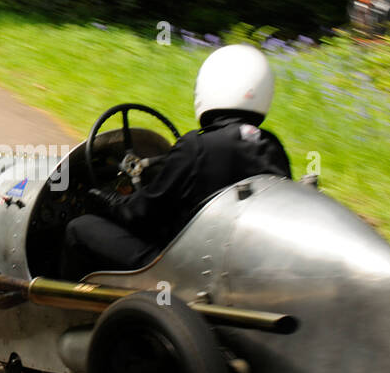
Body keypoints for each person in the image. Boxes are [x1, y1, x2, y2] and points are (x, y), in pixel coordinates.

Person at [61, 44, 291, 278]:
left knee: (79, 228)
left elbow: (143, 214)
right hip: (240, 267)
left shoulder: (197, 145)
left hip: (180, 266)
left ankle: (68, 311)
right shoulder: (273, 148)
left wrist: (110, 201)